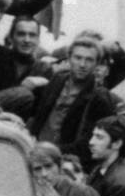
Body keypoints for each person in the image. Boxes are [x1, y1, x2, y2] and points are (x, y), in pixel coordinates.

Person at [30, 37, 118, 169]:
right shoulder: (57, 80)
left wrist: (53, 151)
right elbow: (40, 115)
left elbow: (88, 143)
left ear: (96, 64)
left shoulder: (100, 98)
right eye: (78, 58)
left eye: (89, 60)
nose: (82, 64)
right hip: (36, 151)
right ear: (69, 58)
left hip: (65, 162)